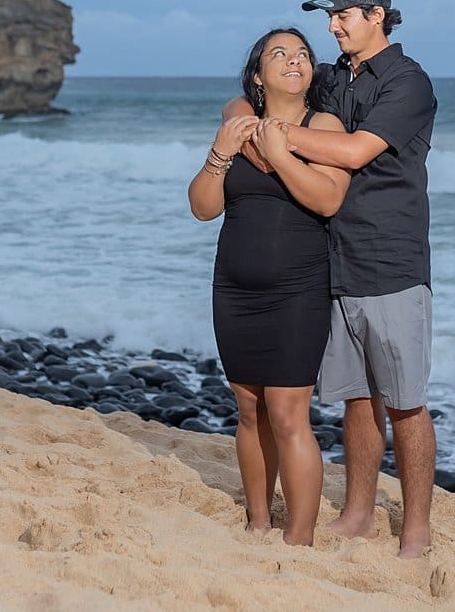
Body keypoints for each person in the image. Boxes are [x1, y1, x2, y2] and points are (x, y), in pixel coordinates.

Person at [230, 0, 438, 558]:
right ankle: (358, 513)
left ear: (378, 16)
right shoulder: (332, 79)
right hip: (334, 262)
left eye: (343, 15)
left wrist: (278, 139)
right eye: (330, 16)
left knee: (404, 402)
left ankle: (418, 525)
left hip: (393, 263)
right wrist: (243, 121)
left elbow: (353, 150)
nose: (335, 26)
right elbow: (254, 93)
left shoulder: (407, 82)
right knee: (357, 397)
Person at [188, 28, 350, 546]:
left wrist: (281, 155)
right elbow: (203, 207)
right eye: (279, 54)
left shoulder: (322, 125)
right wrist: (219, 153)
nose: (294, 60)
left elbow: (327, 200)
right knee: (250, 409)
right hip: (233, 288)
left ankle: (299, 538)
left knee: (287, 412)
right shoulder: (237, 124)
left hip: (298, 290)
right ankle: (259, 521)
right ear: (258, 76)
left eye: (302, 54)